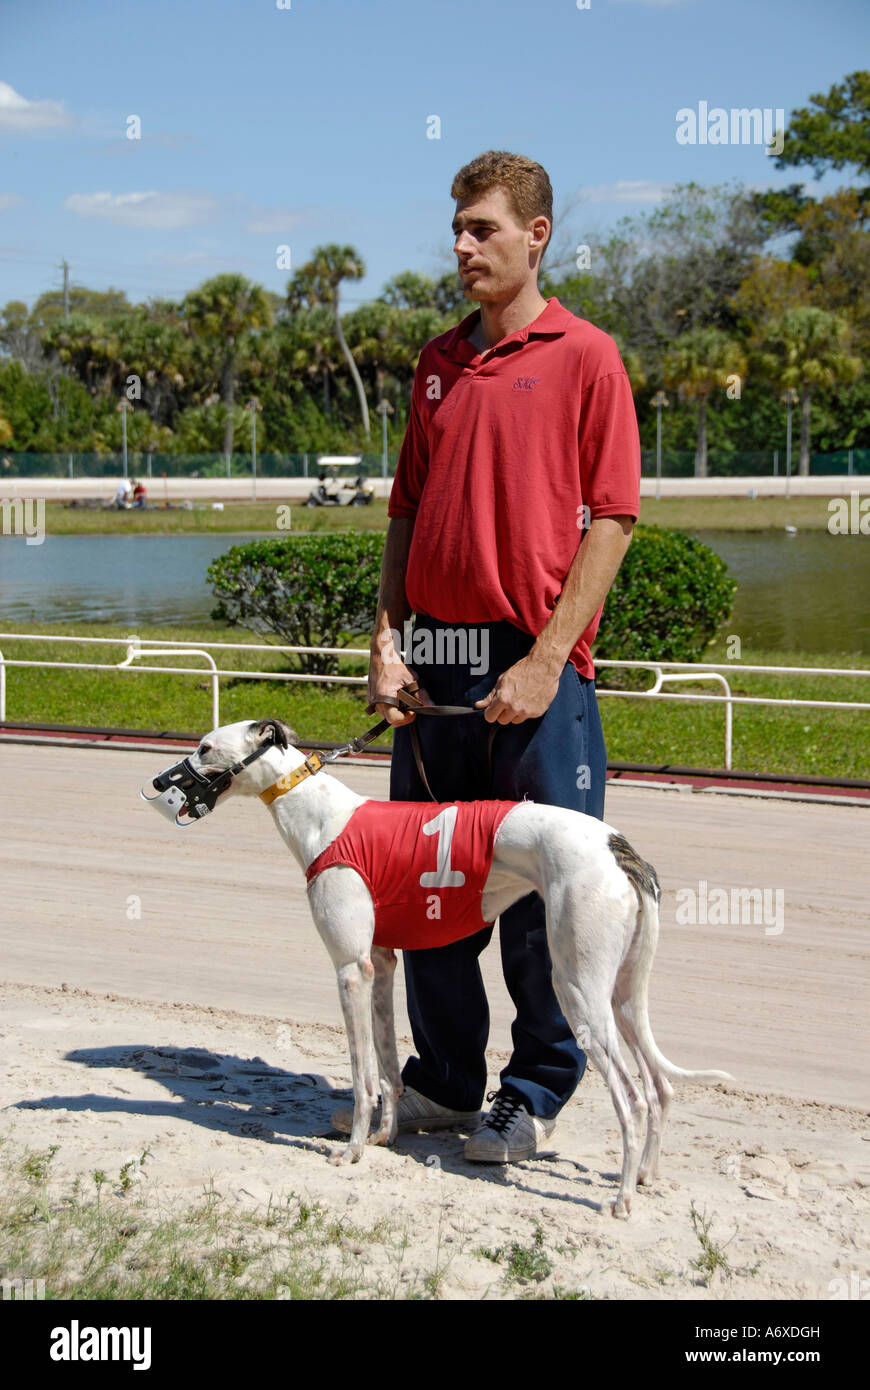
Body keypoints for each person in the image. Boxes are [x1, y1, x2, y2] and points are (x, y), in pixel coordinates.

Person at [351, 151, 641, 1163]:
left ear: (537, 235)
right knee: (428, 889)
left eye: (482, 228)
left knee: (535, 901)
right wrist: (387, 643)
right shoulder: (437, 362)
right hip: (432, 671)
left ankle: (533, 1091)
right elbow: (405, 511)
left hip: (532, 674)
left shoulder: (586, 356)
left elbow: (612, 519)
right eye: (458, 229)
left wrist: (549, 657)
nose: (463, 246)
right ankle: (440, 1082)